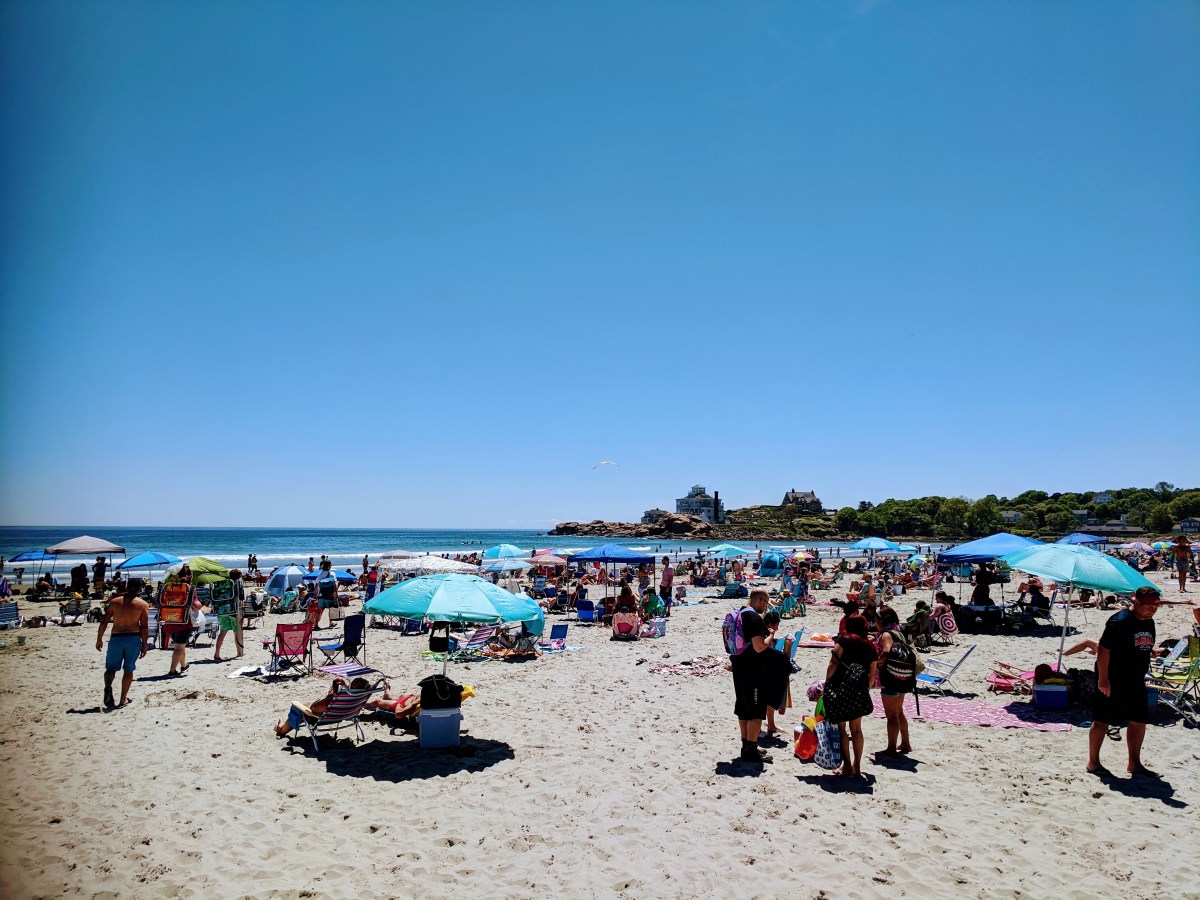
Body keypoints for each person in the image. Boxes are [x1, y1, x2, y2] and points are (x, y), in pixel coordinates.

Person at [1087, 586, 1164, 779]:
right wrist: (1103, 680)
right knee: (1102, 721)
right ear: (1136, 602)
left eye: (1156, 606)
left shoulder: (1148, 622)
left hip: (1136, 679)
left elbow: (1141, 643)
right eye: (1149, 606)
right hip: (1114, 679)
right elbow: (1104, 650)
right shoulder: (1119, 622)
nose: (1153, 609)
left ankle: (1134, 763)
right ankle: (1093, 762)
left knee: (1139, 720)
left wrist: (1150, 651)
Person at [822, 614, 877, 776]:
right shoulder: (870, 646)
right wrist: (866, 687)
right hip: (859, 690)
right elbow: (873, 673)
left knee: (842, 729)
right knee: (857, 730)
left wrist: (827, 683)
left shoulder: (844, 641)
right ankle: (857, 766)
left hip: (840, 689)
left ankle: (846, 765)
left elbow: (833, 663)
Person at [730, 588, 774, 763]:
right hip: (752, 669)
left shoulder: (740, 613)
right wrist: (770, 636)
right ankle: (750, 750)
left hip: (739, 665)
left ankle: (747, 746)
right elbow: (759, 646)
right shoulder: (754, 618)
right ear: (761, 601)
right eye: (766, 603)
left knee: (743, 708)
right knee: (756, 711)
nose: (766, 608)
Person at [96, 581, 149, 708]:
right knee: (128, 669)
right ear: (139, 589)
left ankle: (108, 686)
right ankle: (122, 700)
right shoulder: (142, 604)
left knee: (110, 669)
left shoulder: (115, 602)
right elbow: (144, 627)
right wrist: (145, 644)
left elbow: (104, 622)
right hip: (132, 638)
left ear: (126, 587)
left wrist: (99, 639)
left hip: (116, 638)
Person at [274, 677, 373, 737]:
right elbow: (349, 695)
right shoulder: (359, 698)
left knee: (298, 708)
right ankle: (282, 726)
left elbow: (314, 708)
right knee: (305, 707)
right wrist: (343, 689)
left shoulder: (339, 699)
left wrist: (330, 696)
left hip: (320, 717)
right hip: (344, 716)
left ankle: (282, 730)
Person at [875, 606, 914, 755]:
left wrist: (875, 662)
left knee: (891, 715)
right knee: (899, 711)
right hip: (903, 675)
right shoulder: (898, 631)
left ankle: (891, 748)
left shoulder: (886, 634)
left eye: (876, 620)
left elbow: (886, 652)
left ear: (881, 620)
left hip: (890, 677)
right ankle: (905, 743)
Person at [168, 599, 207, 676]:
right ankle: (172, 670)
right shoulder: (186, 591)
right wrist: (193, 598)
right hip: (183, 623)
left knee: (181, 645)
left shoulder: (168, 591)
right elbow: (197, 606)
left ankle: (183, 666)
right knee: (179, 647)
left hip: (171, 620)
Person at [214, 569, 245, 662]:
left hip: (222, 610)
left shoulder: (222, 584)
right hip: (234, 610)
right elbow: (241, 598)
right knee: (237, 632)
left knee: (223, 632)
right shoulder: (238, 584)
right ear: (239, 576)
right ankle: (239, 653)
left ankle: (217, 654)